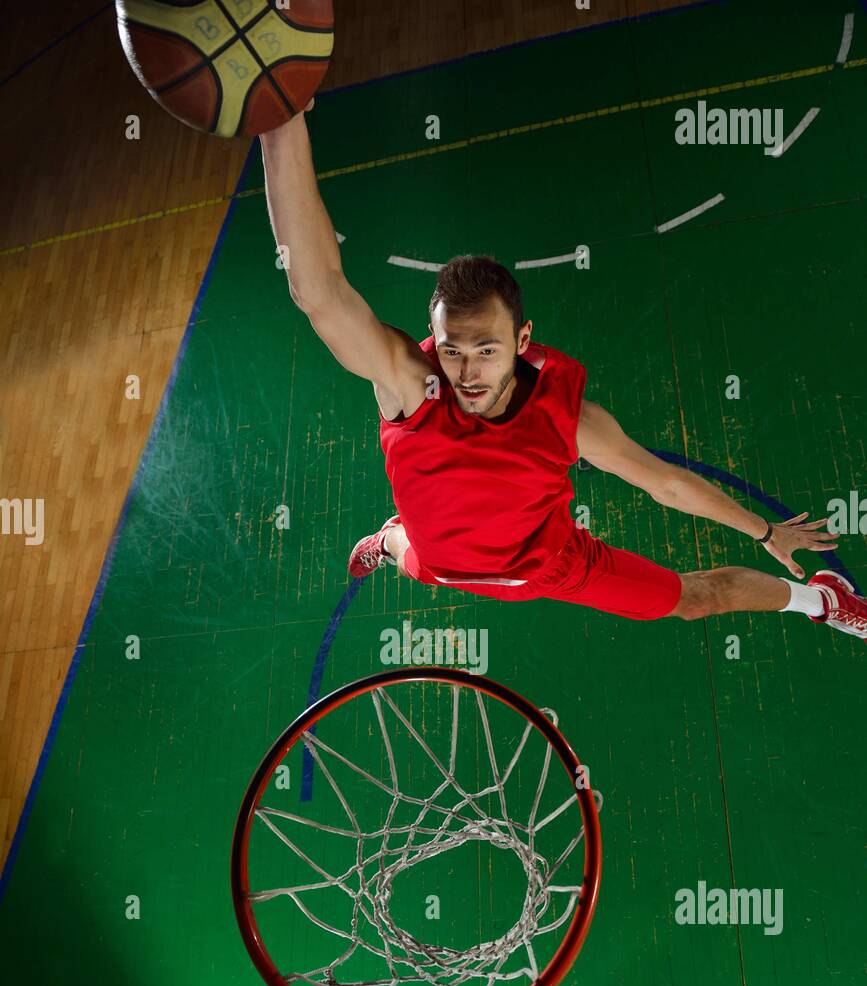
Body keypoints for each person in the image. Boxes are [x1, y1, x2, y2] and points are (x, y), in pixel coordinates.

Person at [260, 109, 865, 640]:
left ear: (522, 341)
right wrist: (279, 120)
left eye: (487, 350)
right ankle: (387, 539)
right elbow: (320, 294)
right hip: (441, 559)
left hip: (551, 566)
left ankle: (824, 601)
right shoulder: (408, 384)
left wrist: (764, 532)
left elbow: (667, 484)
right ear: (433, 341)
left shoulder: (566, 417)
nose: (466, 373)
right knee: (405, 547)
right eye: (452, 351)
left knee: (700, 599)